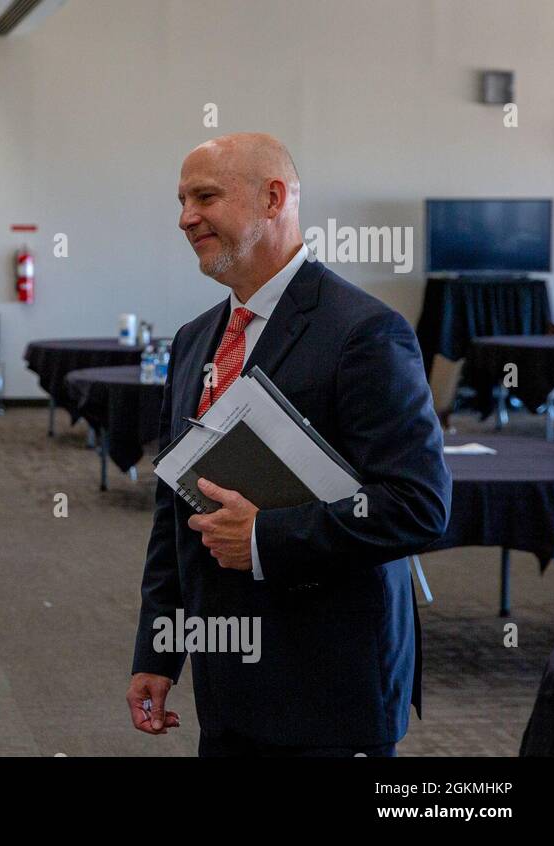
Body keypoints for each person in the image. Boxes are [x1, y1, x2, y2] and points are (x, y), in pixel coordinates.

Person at [126, 133, 451, 756]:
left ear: (273, 198)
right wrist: (159, 649)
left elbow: (419, 506)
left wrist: (262, 539)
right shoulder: (196, 340)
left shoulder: (364, 333)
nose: (185, 217)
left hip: (331, 687)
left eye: (206, 196)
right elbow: (178, 510)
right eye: (181, 200)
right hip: (229, 687)